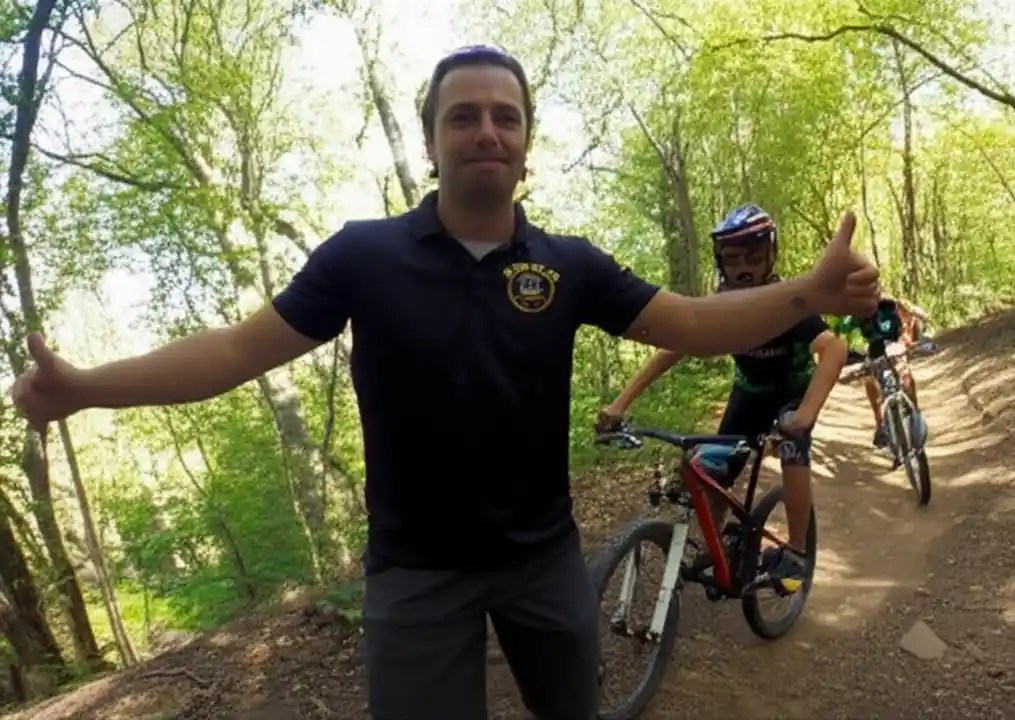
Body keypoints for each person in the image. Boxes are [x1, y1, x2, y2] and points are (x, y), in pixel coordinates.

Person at [8, 44, 881, 720]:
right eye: (463, 117)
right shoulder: (363, 256)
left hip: (544, 559)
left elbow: (691, 323)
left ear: (526, 145)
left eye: (505, 116)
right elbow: (238, 352)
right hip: (413, 574)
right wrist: (87, 386)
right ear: (432, 141)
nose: (486, 131)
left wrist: (808, 293)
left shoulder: (569, 266)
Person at [597, 204, 847, 593]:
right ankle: (722, 547)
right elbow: (671, 348)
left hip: (791, 396)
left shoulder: (785, 302)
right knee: (704, 470)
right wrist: (619, 403)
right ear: (721, 262)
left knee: (793, 450)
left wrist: (805, 417)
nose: (743, 267)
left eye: (753, 256)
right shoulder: (721, 306)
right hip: (748, 396)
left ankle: (796, 553)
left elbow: (834, 349)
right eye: (733, 259)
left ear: (770, 256)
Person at [834, 297, 933, 449]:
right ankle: (882, 423)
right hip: (876, 351)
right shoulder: (857, 313)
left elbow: (906, 322)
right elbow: (843, 329)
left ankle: (912, 413)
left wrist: (908, 338)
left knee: (902, 374)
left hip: (891, 347)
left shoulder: (889, 306)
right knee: (872, 379)